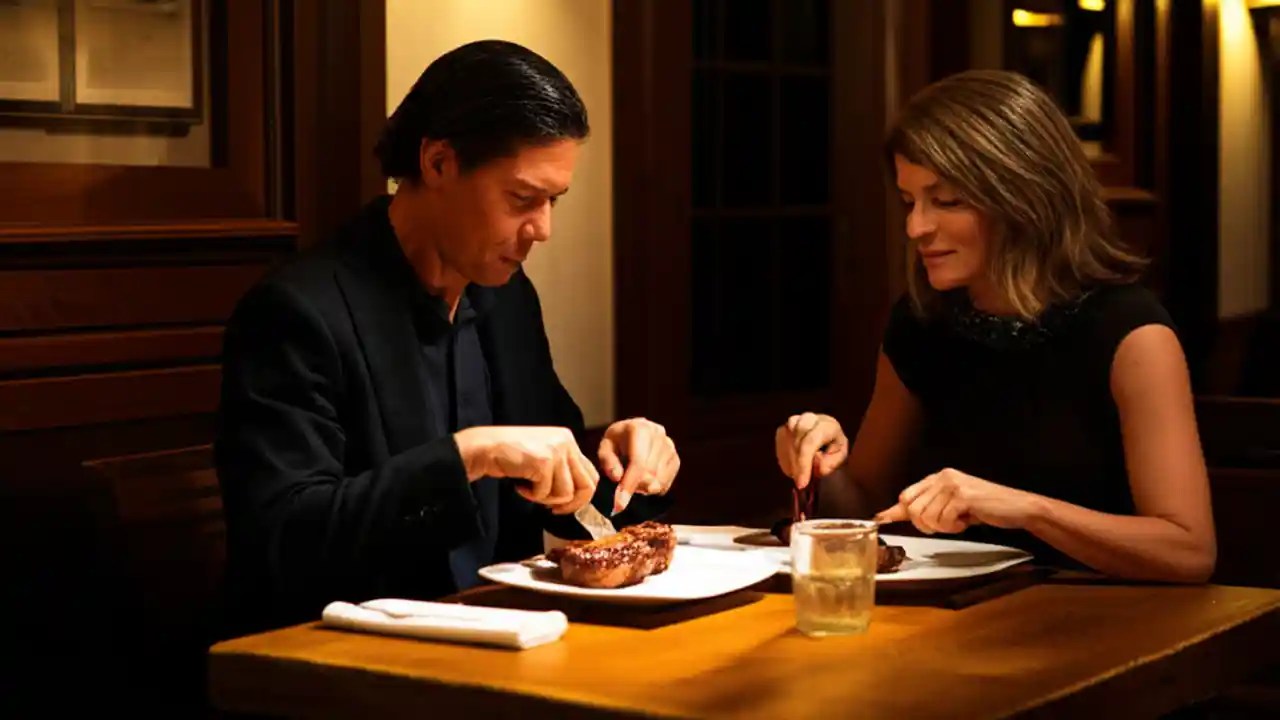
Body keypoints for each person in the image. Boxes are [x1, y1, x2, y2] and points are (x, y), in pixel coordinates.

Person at [215, 40, 680, 633]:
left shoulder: (506, 298)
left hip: (502, 633)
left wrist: (623, 466)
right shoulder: (297, 311)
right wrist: (467, 457)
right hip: (346, 652)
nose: (542, 228)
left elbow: (561, 492)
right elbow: (283, 537)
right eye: (522, 199)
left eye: (552, 202)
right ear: (438, 162)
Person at [774, 70, 1216, 583]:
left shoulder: (1129, 332)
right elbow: (865, 512)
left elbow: (1189, 552)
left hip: (1098, 613)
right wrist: (818, 462)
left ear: (1023, 198)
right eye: (909, 202)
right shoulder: (922, 322)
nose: (916, 227)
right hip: (954, 612)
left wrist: (1028, 509)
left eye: (946, 201)